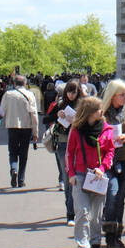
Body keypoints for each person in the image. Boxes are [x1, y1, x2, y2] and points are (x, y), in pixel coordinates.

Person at [66, 96, 117, 248]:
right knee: (82, 210)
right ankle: (82, 244)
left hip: (98, 176)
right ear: (89, 112)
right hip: (81, 175)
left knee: (96, 212)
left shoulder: (106, 130)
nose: (101, 112)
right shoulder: (76, 130)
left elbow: (110, 150)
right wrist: (71, 174)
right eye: (98, 109)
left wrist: (103, 167)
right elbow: (69, 152)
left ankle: (96, 240)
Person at [99, 79, 125, 248]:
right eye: (122, 94)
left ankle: (117, 235)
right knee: (112, 196)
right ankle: (109, 235)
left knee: (120, 199)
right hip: (108, 161)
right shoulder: (102, 114)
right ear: (113, 96)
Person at [45, 80, 83, 225]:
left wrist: (77, 120)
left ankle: (79, 208)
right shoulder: (60, 104)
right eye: (69, 91)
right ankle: (70, 213)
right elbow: (46, 119)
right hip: (63, 143)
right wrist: (58, 115)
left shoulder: (83, 105)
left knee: (79, 177)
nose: (71, 95)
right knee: (67, 177)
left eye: (74, 92)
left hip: (79, 143)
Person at [0, 74, 39, 187]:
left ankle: (13, 169)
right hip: (26, 127)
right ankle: (21, 179)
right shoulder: (30, 95)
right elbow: (34, 114)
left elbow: (1, 111)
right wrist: (35, 132)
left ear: (14, 83)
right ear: (25, 83)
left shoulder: (8, 94)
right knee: (23, 153)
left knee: (12, 151)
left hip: (12, 125)